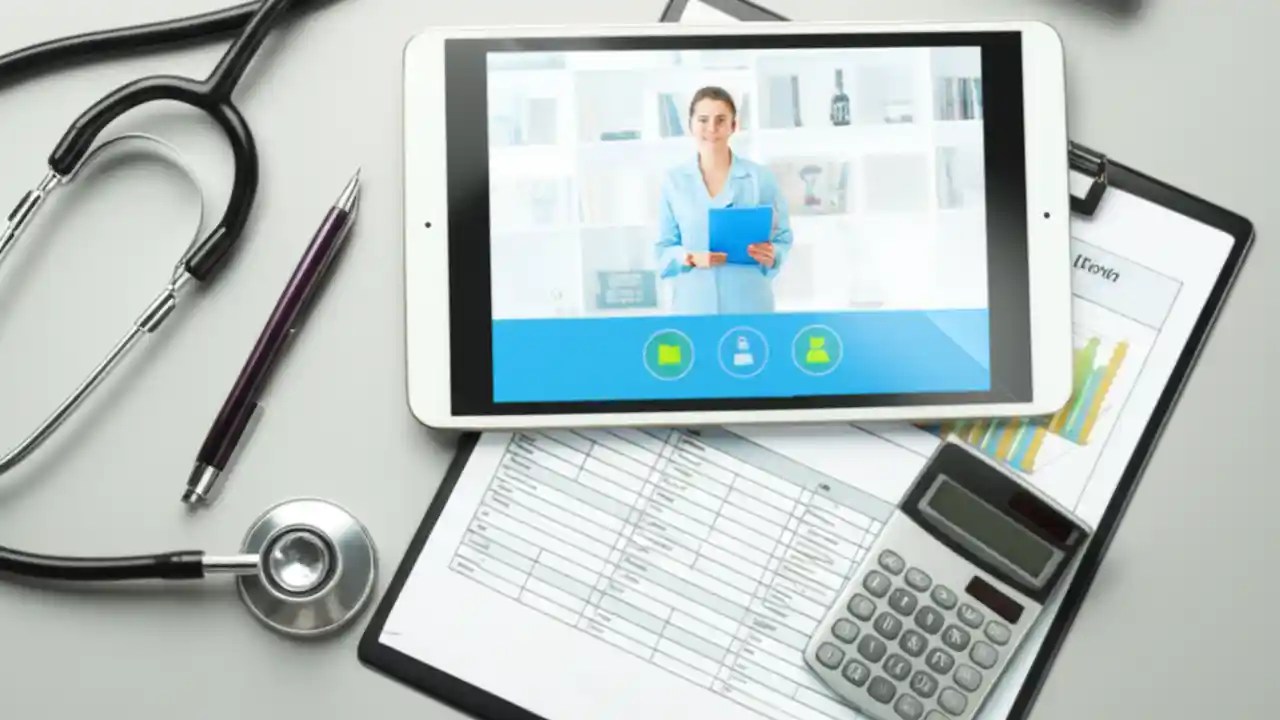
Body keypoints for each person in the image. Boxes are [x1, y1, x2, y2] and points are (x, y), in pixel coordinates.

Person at [655, 85, 793, 315]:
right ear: (690, 125)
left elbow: (783, 237)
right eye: (703, 120)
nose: (712, 128)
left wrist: (772, 254)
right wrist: (689, 257)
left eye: (721, 120)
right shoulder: (674, 182)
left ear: (733, 126)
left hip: (749, 301)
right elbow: (664, 249)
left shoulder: (760, 178)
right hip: (694, 304)